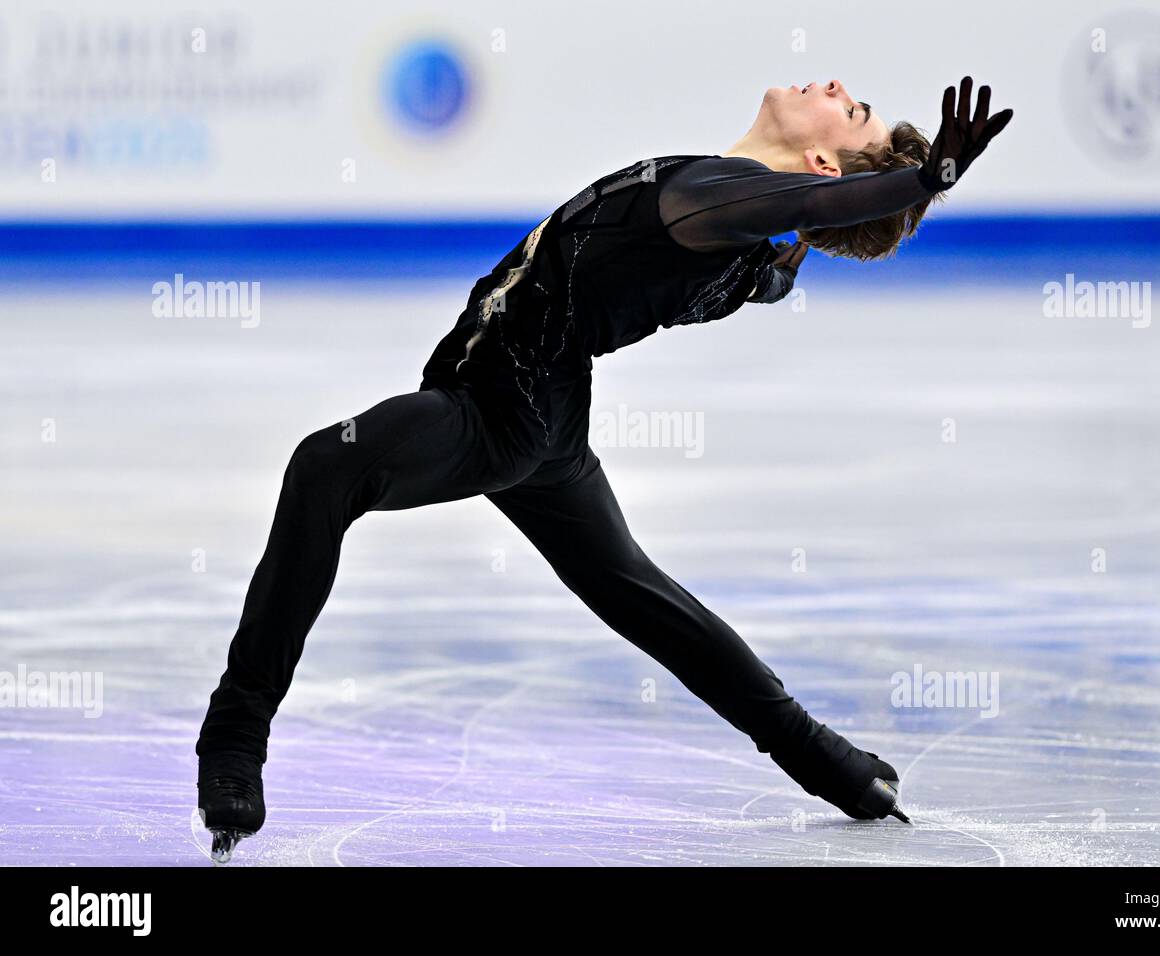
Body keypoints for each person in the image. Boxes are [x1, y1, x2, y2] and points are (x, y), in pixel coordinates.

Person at [195, 76, 1013, 862]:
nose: (835, 87)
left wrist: (922, 179)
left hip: (500, 413)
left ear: (827, 167)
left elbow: (806, 210)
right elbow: (775, 262)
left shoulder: (718, 204)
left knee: (323, 468)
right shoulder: (741, 245)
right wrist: (850, 221)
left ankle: (236, 735)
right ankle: (830, 764)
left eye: (854, 106)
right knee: (637, 595)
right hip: (547, 420)